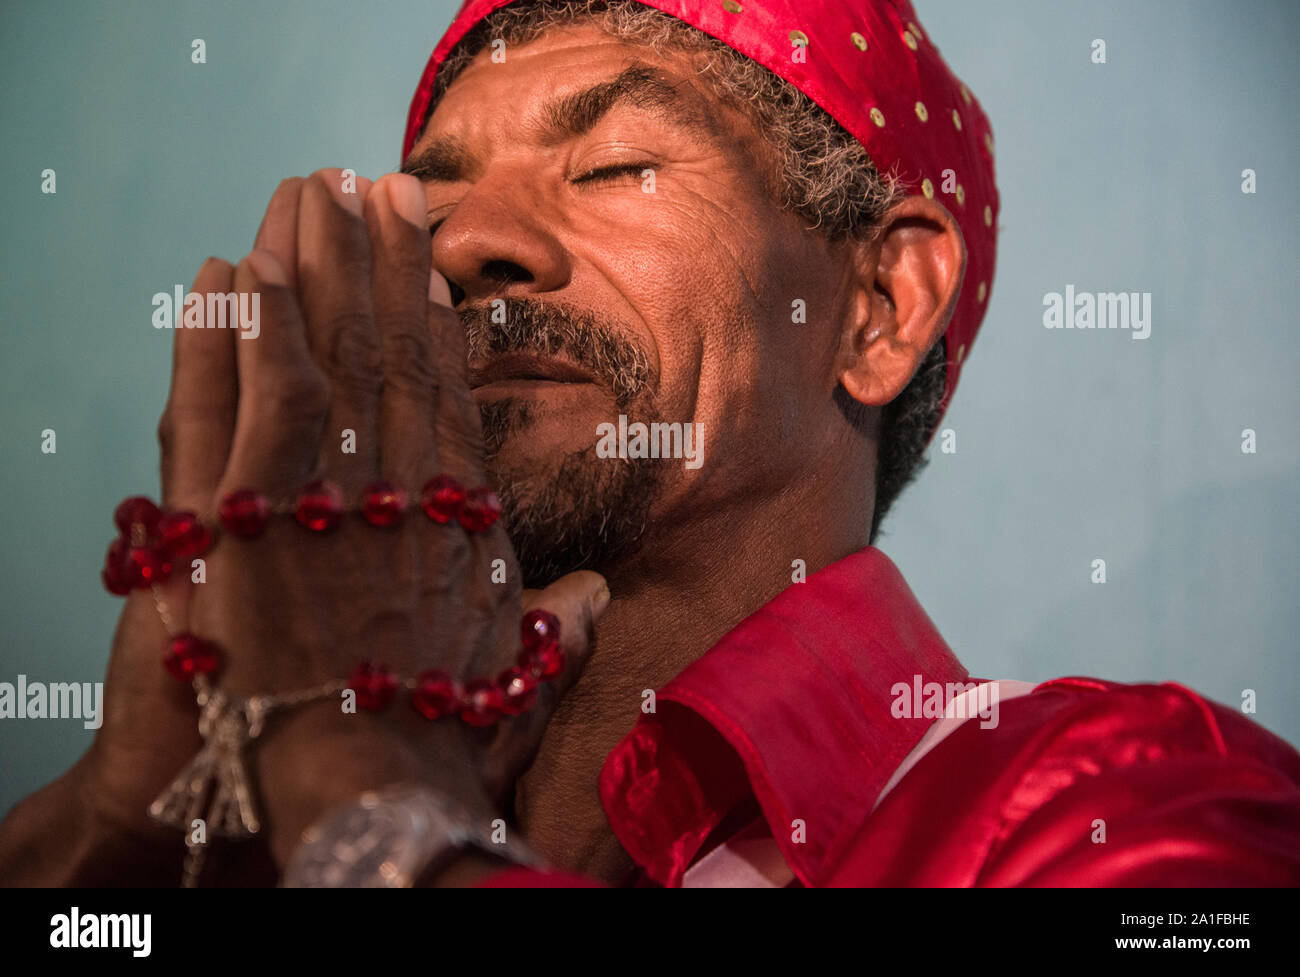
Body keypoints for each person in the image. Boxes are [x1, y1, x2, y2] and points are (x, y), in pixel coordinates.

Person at [2, 0, 1298, 888]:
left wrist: (360, 796)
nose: (464, 244)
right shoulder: (254, 802)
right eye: (432, 196)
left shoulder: (1121, 808)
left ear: (880, 305)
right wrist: (114, 837)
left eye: (616, 166)